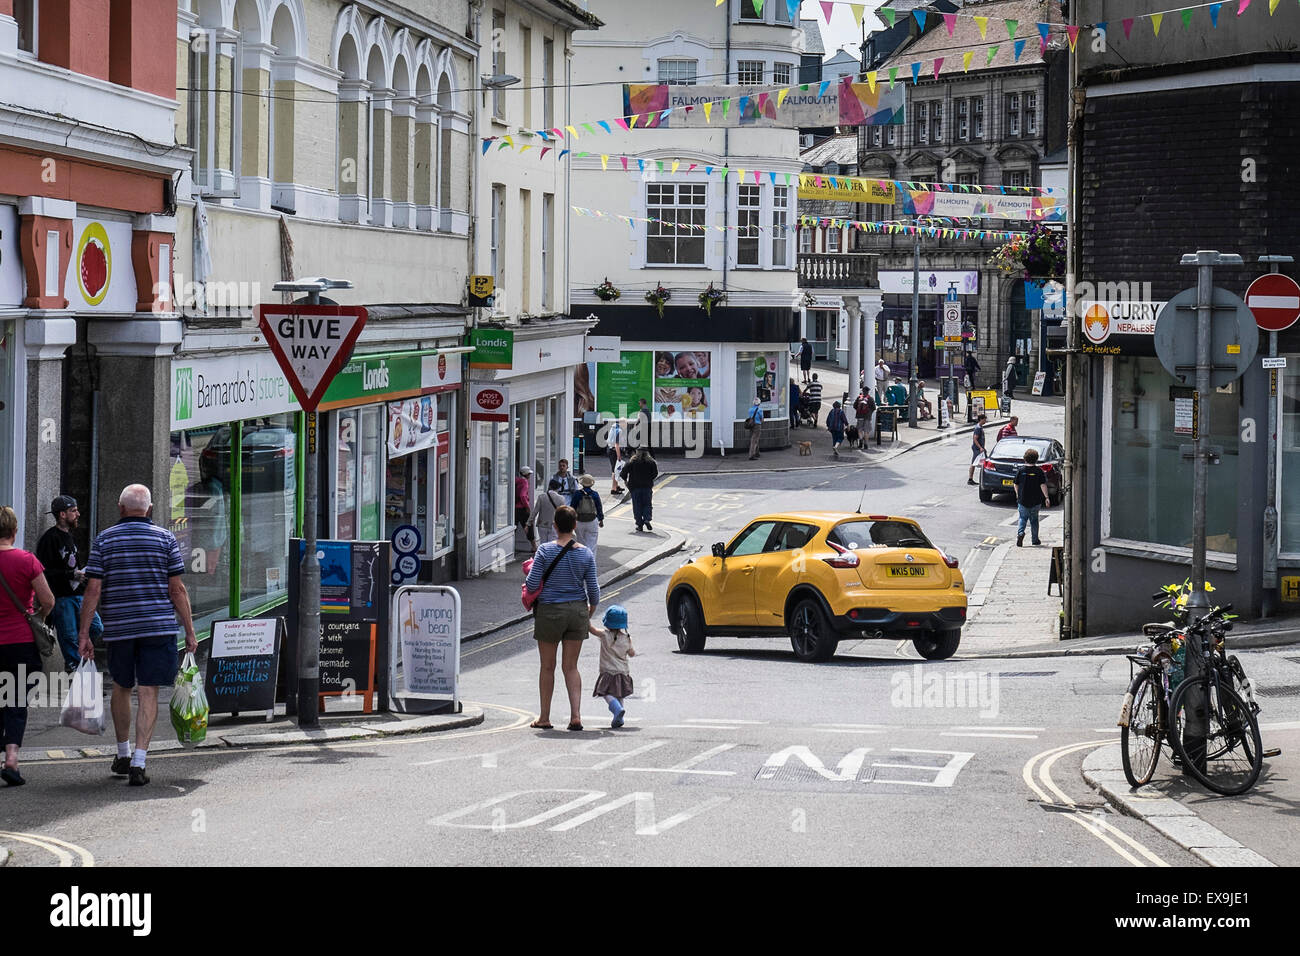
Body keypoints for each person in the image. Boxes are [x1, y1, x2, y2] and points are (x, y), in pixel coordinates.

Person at [78, 484, 198, 787]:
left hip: (119, 629)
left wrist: (84, 633)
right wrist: (190, 630)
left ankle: (122, 753)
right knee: (148, 691)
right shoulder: (165, 538)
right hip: (158, 628)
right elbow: (177, 589)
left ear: (121, 508)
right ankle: (140, 761)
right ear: (149, 509)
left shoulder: (104, 540)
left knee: (121, 686)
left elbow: (93, 589)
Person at [525, 505, 599, 731]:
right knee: (571, 667)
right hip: (577, 610)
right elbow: (594, 592)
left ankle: (545, 718)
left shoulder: (545, 551)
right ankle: (575, 716)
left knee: (547, 666)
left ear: (555, 526)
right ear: (575, 525)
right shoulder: (585, 553)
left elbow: (531, 584)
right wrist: (587, 614)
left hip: (550, 611)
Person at [0, 506, 55, 787]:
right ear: (14, 530)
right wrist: (36, 618)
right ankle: (11, 760)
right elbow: (48, 601)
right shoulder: (27, 561)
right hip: (21, 643)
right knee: (16, 701)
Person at [35, 495, 103, 673]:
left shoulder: (70, 537)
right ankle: (79, 676)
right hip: (61, 597)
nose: (78, 514)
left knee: (96, 627)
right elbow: (44, 572)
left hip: (78, 594)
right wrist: (71, 574)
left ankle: (81, 668)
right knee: (69, 637)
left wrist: (80, 575)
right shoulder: (50, 539)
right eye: (73, 511)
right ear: (62, 514)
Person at [589, 604, 636, 729]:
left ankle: (616, 709)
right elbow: (632, 653)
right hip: (623, 673)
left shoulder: (605, 635)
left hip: (608, 672)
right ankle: (619, 717)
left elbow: (591, 629)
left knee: (606, 693)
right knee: (619, 694)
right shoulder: (627, 638)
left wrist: (586, 615)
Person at [1013, 447, 1050, 547]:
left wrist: (1017, 494)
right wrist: (1046, 497)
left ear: (1025, 458)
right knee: (1034, 520)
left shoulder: (1021, 471)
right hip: (1036, 500)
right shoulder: (1039, 471)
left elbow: (1016, 484)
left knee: (1022, 518)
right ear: (1036, 459)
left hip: (1023, 499)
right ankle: (1035, 540)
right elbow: (1043, 485)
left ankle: (1020, 533)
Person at [623, 447, 658, 533]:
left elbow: (623, 472)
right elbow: (655, 474)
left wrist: (626, 481)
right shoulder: (651, 462)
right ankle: (647, 519)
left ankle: (639, 524)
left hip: (635, 487)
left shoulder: (632, 462)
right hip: (647, 486)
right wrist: (649, 479)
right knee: (647, 504)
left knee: (637, 505)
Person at [570, 474, 605, 562]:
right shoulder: (595, 494)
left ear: (582, 484)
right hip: (592, 521)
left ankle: (581, 561)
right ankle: (590, 562)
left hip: (579, 521)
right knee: (592, 543)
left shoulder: (577, 494)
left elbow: (572, 507)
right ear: (591, 484)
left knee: (581, 542)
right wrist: (601, 520)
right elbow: (599, 508)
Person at [528, 479, 566, 546]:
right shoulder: (561, 498)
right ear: (557, 488)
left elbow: (535, 511)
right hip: (554, 525)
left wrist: (528, 523)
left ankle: (544, 555)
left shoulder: (541, 497)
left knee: (543, 543)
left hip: (542, 524)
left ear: (549, 486)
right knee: (552, 544)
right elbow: (562, 514)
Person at [968, 414, 988, 485]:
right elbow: (975, 439)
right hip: (978, 448)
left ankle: (982, 478)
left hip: (980, 448)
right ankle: (970, 479)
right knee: (974, 463)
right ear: (981, 419)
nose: (985, 420)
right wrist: (980, 447)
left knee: (984, 462)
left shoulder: (980, 427)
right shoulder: (978, 428)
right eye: (984, 419)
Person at [514, 466, 534, 536]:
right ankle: (534, 545)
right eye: (529, 474)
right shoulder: (524, 482)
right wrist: (527, 507)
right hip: (522, 507)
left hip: (515, 507)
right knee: (528, 526)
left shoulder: (516, 480)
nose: (530, 475)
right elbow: (522, 495)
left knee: (514, 526)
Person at [606, 419, 624, 495]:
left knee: (615, 469)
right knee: (615, 470)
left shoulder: (613, 428)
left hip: (610, 450)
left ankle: (616, 486)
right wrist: (619, 456)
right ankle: (614, 489)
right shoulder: (619, 431)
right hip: (614, 451)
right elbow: (617, 445)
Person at [745, 395, 764, 459]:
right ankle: (751, 455)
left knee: (754, 438)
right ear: (759, 403)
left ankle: (757, 452)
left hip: (751, 425)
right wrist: (761, 421)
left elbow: (750, 417)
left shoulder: (750, 409)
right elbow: (761, 418)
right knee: (754, 440)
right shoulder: (760, 410)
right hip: (757, 425)